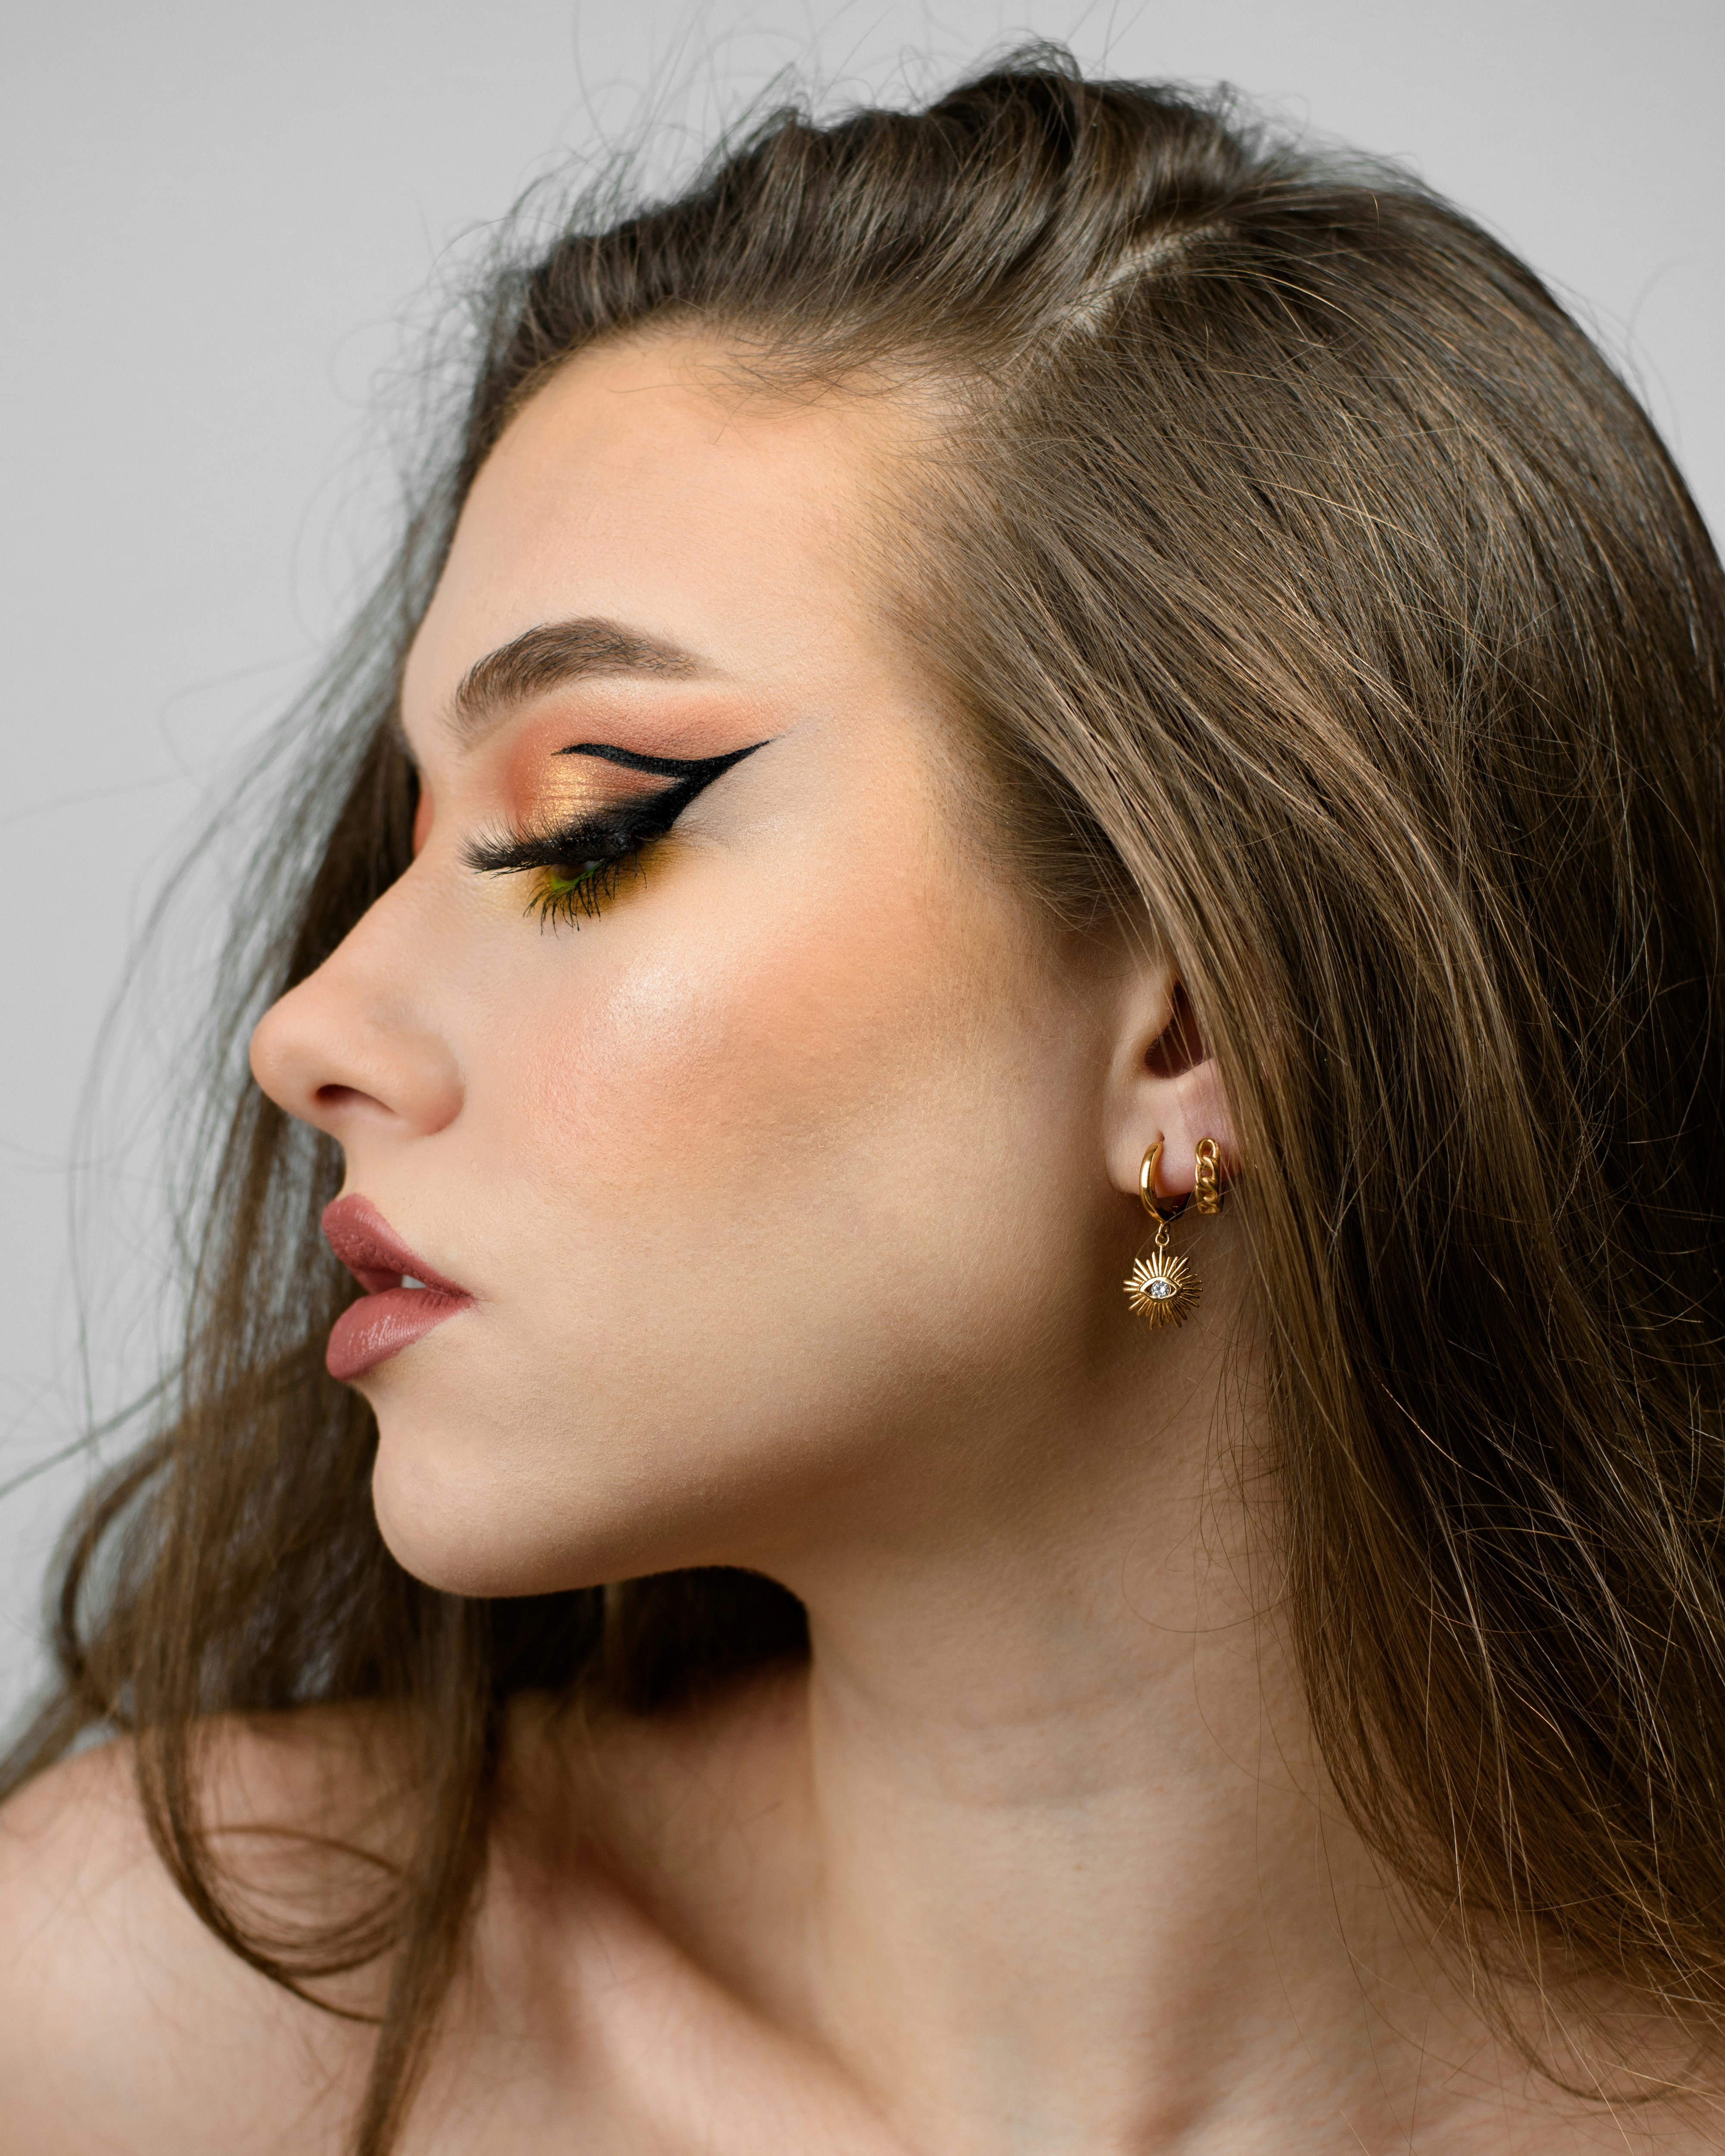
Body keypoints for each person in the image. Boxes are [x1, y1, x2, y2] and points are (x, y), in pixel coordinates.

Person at [2, 51, 1723, 2156]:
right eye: (404, 833)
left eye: (586, 822)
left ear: (1191, 1026)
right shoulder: (166, 2028)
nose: (310, 1028)